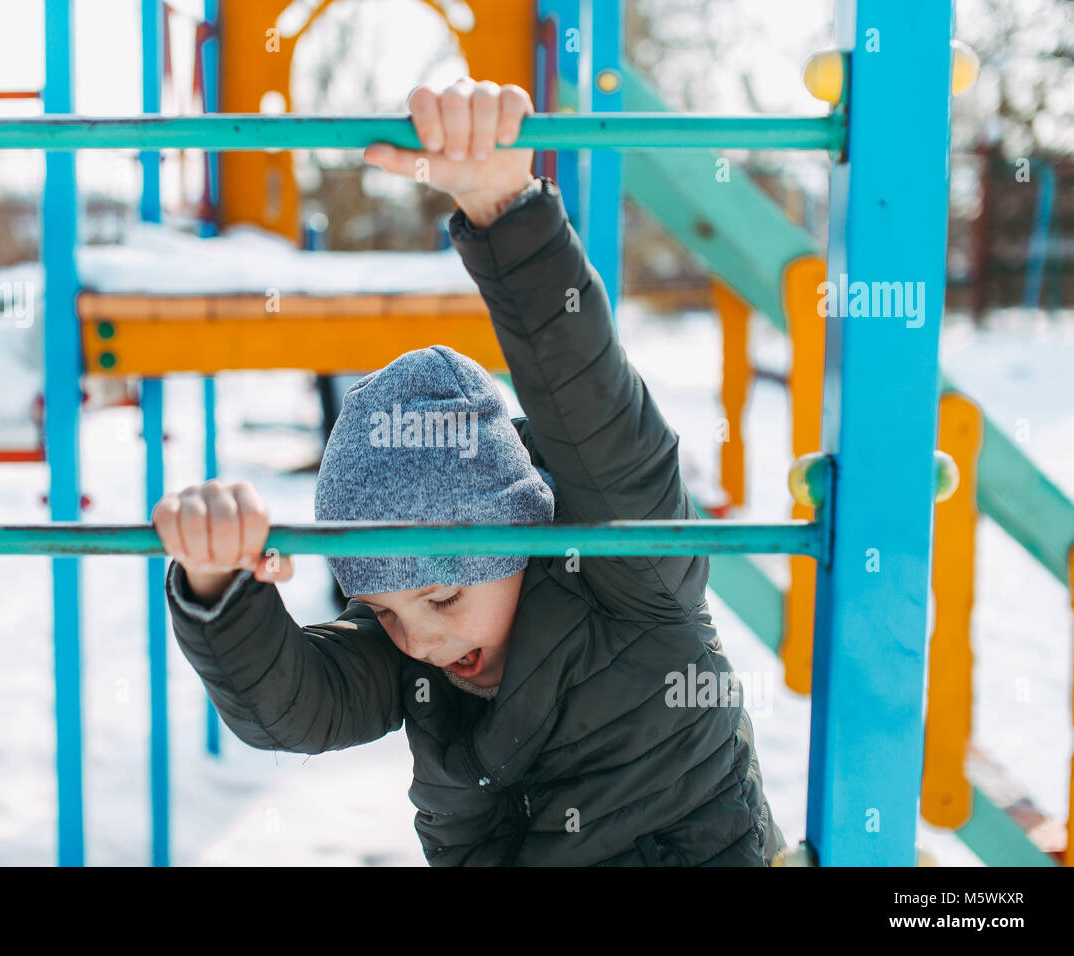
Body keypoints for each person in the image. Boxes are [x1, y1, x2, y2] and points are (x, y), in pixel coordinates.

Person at [155, 77, 785, 866]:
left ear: (514, 532)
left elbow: (589, 405)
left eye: (443, 594)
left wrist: (506, 212)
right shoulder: (422, 649)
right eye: (381, 612)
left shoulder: (632, 572)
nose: (417, 639)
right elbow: (294, 708)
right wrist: (219, 592)